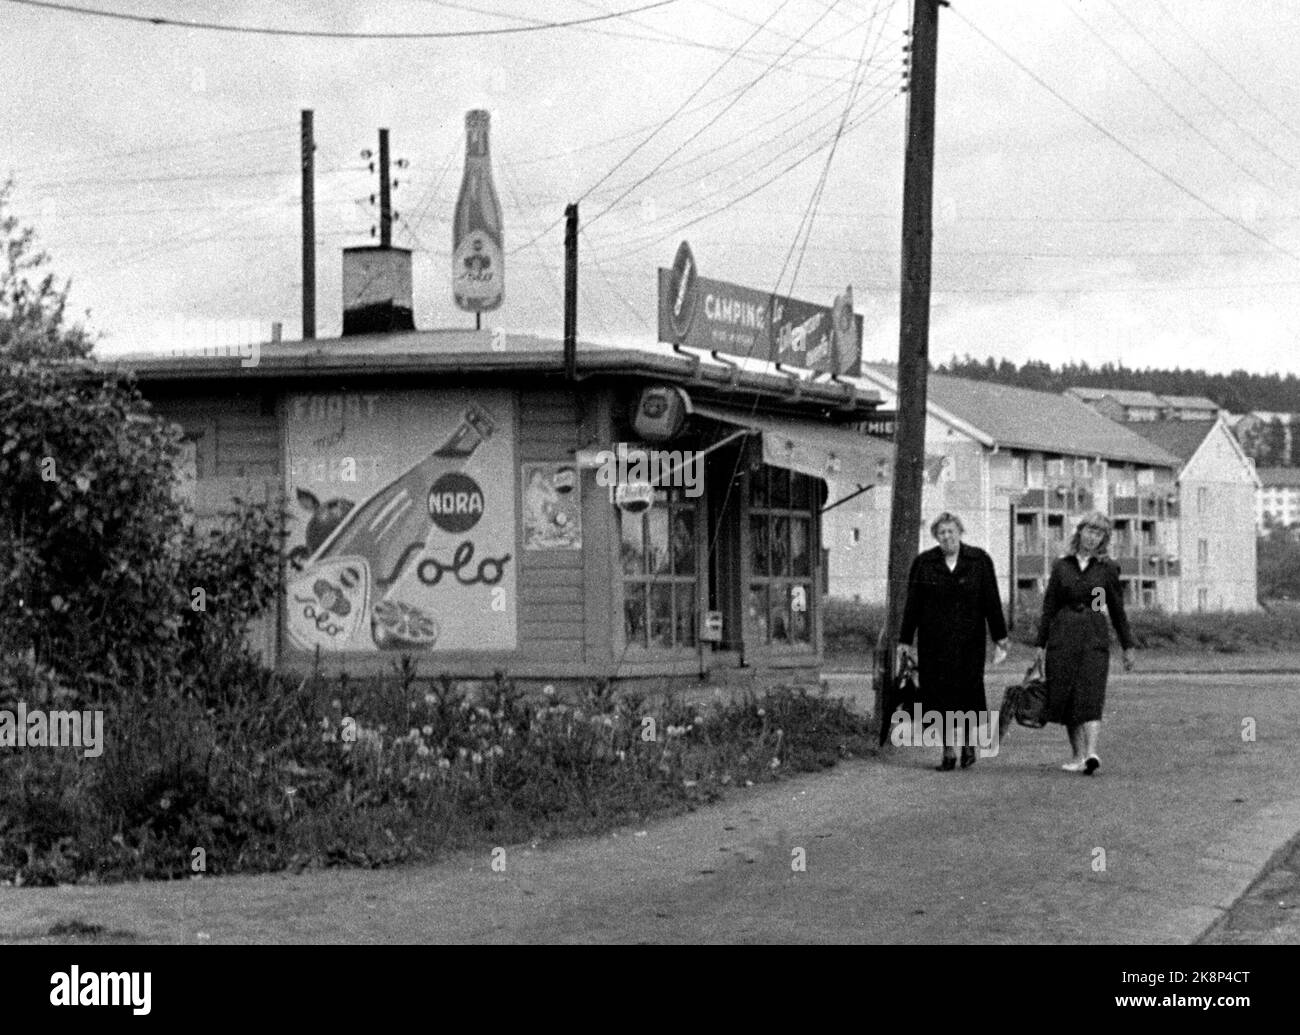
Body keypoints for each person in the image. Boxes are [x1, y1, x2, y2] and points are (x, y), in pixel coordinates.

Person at [900, 512, 1010, 771]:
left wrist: (1000, 637)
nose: (947, 536)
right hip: (934, 642)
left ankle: (969, 745)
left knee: (969, 692)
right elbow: (912, 604)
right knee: (938, 696)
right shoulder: (924, 563)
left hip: (969, 641)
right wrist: (905, 640)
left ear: (960, 532)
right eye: (941, 533)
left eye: (951, 531)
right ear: (936, 536)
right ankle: (948, 752)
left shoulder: (979, 560)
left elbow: (991, 600)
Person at [1034, 511, 1135, 776]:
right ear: (1080, 532)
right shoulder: (1061, 566)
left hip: (1093, 636)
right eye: (1089, 531)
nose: (1093, 537)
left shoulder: (1108, 568)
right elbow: (1049, 607)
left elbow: (1115, 609)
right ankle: (1077, 755)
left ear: (1104, 538)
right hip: (1062, 637)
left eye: (1099, 533)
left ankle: (1091, 753)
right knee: (1066, 696)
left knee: (1090, 695)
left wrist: (1128, 646)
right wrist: (1039, 645)